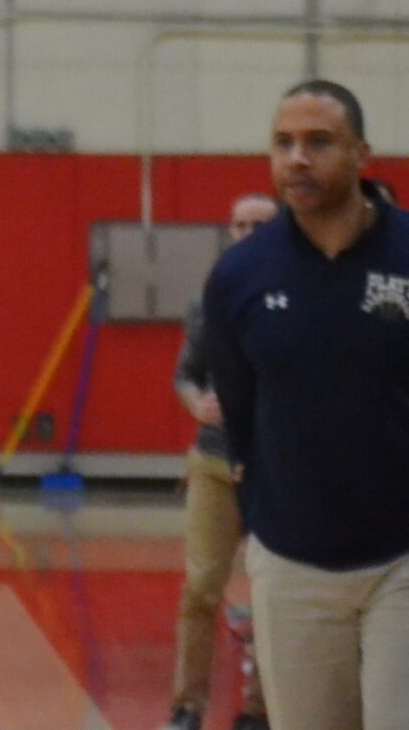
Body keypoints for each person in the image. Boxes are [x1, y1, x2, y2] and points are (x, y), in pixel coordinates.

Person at [206, 80, 409, 730]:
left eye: (318, 141)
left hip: (401, 557)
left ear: (361, 154)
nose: (297, 158)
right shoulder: (239, 275)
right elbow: (239, 409)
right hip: (292, 559)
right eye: (283, 143)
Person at [167, 192, 278, 730]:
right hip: (213, 462)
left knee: (272, 593)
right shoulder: (209, 300)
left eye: (261, 225)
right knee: (201, 589)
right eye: (240, 225)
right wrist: (194, 402)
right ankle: (187, 706)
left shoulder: (297, 295)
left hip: (275, 466)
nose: (249, 234)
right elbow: (185, 374)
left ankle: (258, 709)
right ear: (229, 231)